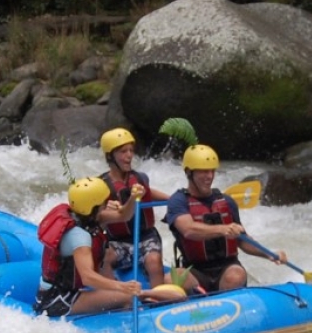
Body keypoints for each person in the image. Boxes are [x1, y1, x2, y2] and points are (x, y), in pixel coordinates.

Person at [34, 177, 179, 317]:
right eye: (103, 201)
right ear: (94, 207)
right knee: (126, 296)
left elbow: (123, 216)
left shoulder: (87, 217)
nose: (107, 202)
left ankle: (136, 303)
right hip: (56, 300)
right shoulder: (79, 237)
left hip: (62, 291)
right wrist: (122, 287)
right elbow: (87, 278)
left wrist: (133, 198)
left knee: (123, 293)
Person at [164, 144, 286, 293]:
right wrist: (223, 229)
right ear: (189, 172)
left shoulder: (227, 202)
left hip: (227, 268)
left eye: (212, 170)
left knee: (236, 275)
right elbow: (188, 230)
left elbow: (242, 240)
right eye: (203, 171)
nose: (209, 176)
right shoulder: (178, 201)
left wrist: (268, 253)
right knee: (171, 278)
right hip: (195, 270)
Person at [95, 127, 169, 286]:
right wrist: (107, 208)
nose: (129, 155)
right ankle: (114, 297)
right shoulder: (101, 186)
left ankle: (157, 301)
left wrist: (172, 199)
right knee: (104, 257)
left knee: (154, 261)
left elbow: (149, 193)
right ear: (110, 156)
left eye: (131, 150)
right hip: (119, 241)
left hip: (146, 237)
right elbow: (98, 215)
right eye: (123, 151)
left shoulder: (140, 178)